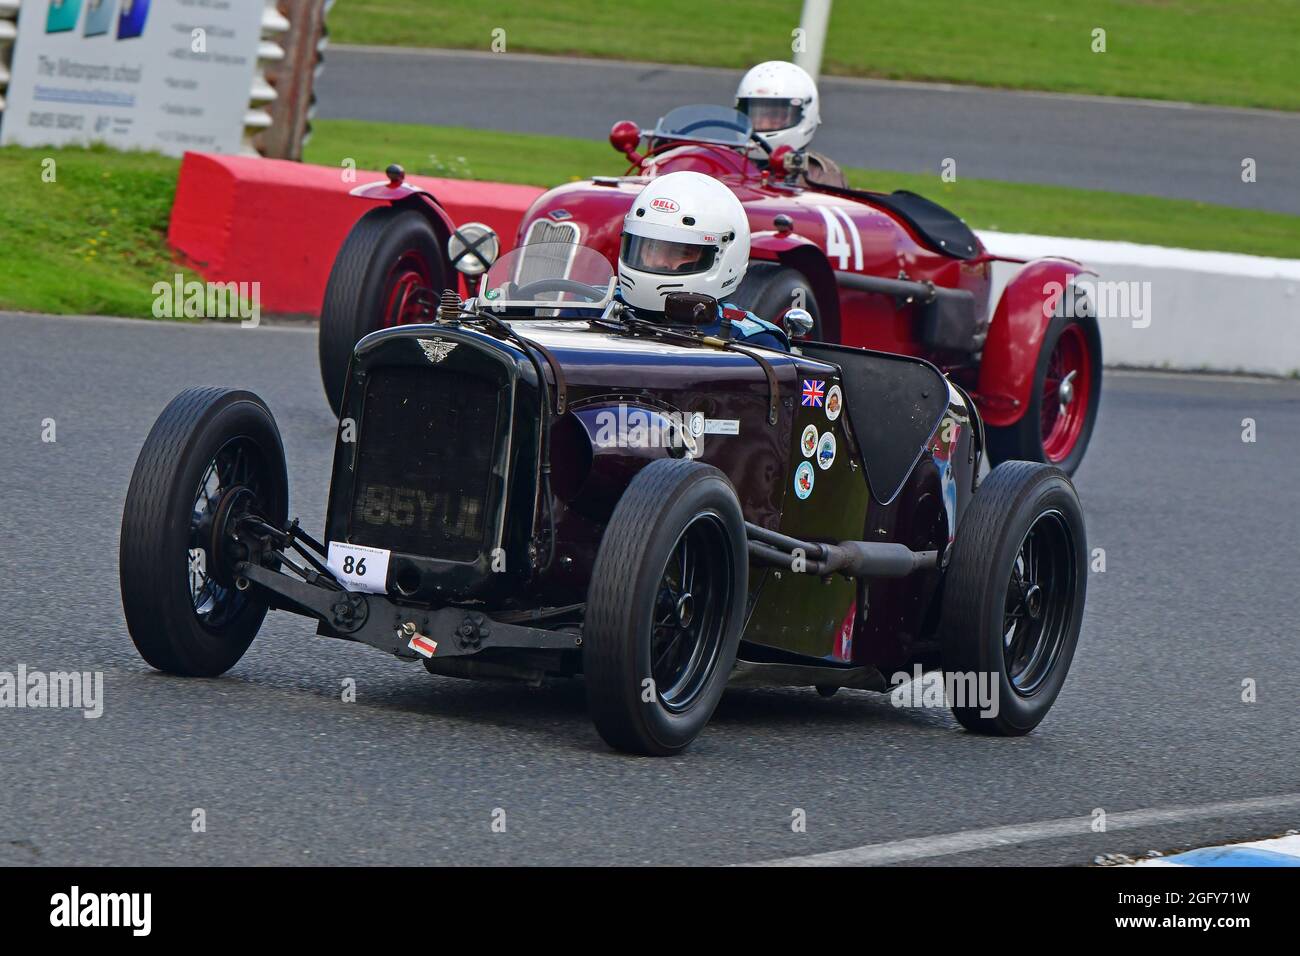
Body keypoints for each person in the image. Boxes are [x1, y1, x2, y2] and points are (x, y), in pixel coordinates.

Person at [617, 170, 789, 350]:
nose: (660, 262)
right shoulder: (598, 307)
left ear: (727, 258)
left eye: (682, 253)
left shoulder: (751, 341)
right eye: (652, 248)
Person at [734, 60, 849, 190]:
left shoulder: (820, 174)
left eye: (774, 116)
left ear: (806, 113)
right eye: (757, 117)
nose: (764, 123)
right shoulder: (726, 161)